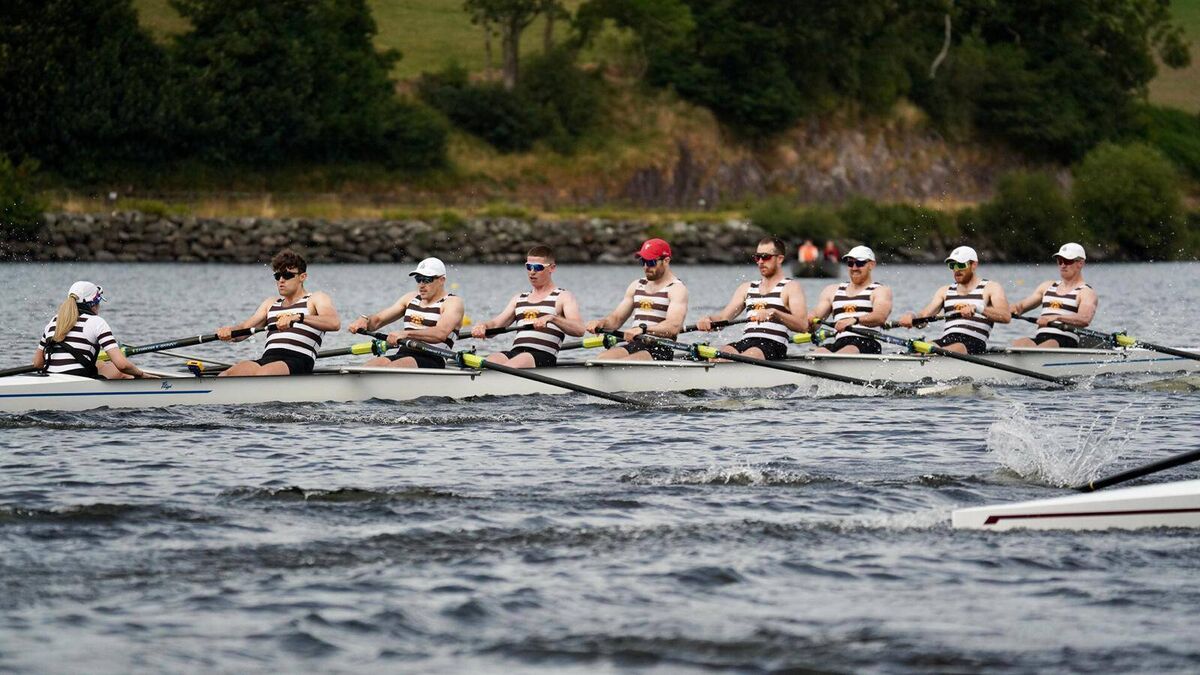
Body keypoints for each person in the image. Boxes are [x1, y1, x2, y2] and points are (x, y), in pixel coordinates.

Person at [217, 249, 341, 376]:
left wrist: (299, 318)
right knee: (226, 375)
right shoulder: (270, 303)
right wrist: (229, 332)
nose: (281, 280)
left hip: (299, 360)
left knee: (264, 373)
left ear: (302, 277)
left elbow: (334, 323)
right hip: (268, 358)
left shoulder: (315, 298)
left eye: (287, 275)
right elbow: (244, 329)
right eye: (277, 276)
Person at [469, 244, 585, 368]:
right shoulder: (519, 299)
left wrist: (552, 318)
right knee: (492, 360)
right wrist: (483, 326)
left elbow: (580, 330)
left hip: (543, 355)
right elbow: (495, 325)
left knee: (518, 361)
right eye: (529, 267)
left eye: (538, 267)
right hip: (516, 352)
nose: (532, 272)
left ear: (552, 268)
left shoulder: (563, 297)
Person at [696, 236, 808, 361]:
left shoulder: (791, 287)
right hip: (747, 341)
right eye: (757, 257)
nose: (760, 261)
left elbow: (803, 325)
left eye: (765, 257)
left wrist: (775, 313)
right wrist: (709, 320)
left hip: (773, 345)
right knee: (720, 354)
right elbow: (723, 318)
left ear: (780, 259)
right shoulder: (747, 288)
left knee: (748, 354)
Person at [346, 257, 466, 369]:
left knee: (395, 367)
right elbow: (377, 321)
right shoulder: (410, 298)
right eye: (418, 279)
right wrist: (365, 320)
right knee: (371, 366)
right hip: (404, 353)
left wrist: (406, 334)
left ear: (441, 280)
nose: (421, 285)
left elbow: (440, 333)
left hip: (433, 357)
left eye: (427, 280)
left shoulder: (452, 302)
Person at [585, 238, 688, 361]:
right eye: (643, 261)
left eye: (651, 262)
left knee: (624, 363)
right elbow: (616, 319)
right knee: (601, 359)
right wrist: (601, 323)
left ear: (666, 261)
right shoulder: (636, 285)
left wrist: (643, 329)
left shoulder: (676, 289)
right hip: (636, 343)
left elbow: (673, 327)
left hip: (660, 348)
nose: (645, 267)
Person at [896, 246, 1011, 354]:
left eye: (960, 265)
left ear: (974, 265)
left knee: (951, 348)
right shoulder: (944, 291)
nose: (956, 270)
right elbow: (924, 317)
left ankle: (936, 357)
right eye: (952, 265)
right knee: (920, 349)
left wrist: (977, 308)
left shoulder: (991, 288)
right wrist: (912, 317)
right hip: (947, 339)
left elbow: (1006, 316)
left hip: (974, 342)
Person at [33, 281, 150, 379]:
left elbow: (38, 363)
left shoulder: (54, 321)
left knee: (101, 364)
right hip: (78, 380)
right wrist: (141, 374)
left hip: (51, 377)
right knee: (122, 371)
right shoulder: (96, 322)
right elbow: (122, 365)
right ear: (93, 303)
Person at [807, 245, 892, 353]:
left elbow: (880, 317)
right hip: (840, 342)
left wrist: (855, 320)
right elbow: (816, 317)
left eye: (860, 263)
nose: (854, 268)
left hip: (868, 342)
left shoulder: (880, 290)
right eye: (850, 263)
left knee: (849, 349)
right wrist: (810, 319)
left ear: (871, 265)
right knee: (819, 352)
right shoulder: (832, 291)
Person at [1010, 242, 1097, 348]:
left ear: (1080, 263)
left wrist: (1056, 317)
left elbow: (1084, 319)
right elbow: (1021, 307)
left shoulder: (1086, 292)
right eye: (1060, 261)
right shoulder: (1047, 286)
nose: (1063, 265)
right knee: (1020, 343)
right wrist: (1011, 309)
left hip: (1066, 341)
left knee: (1050, 343)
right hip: (1041, 338)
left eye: (1067, 261)